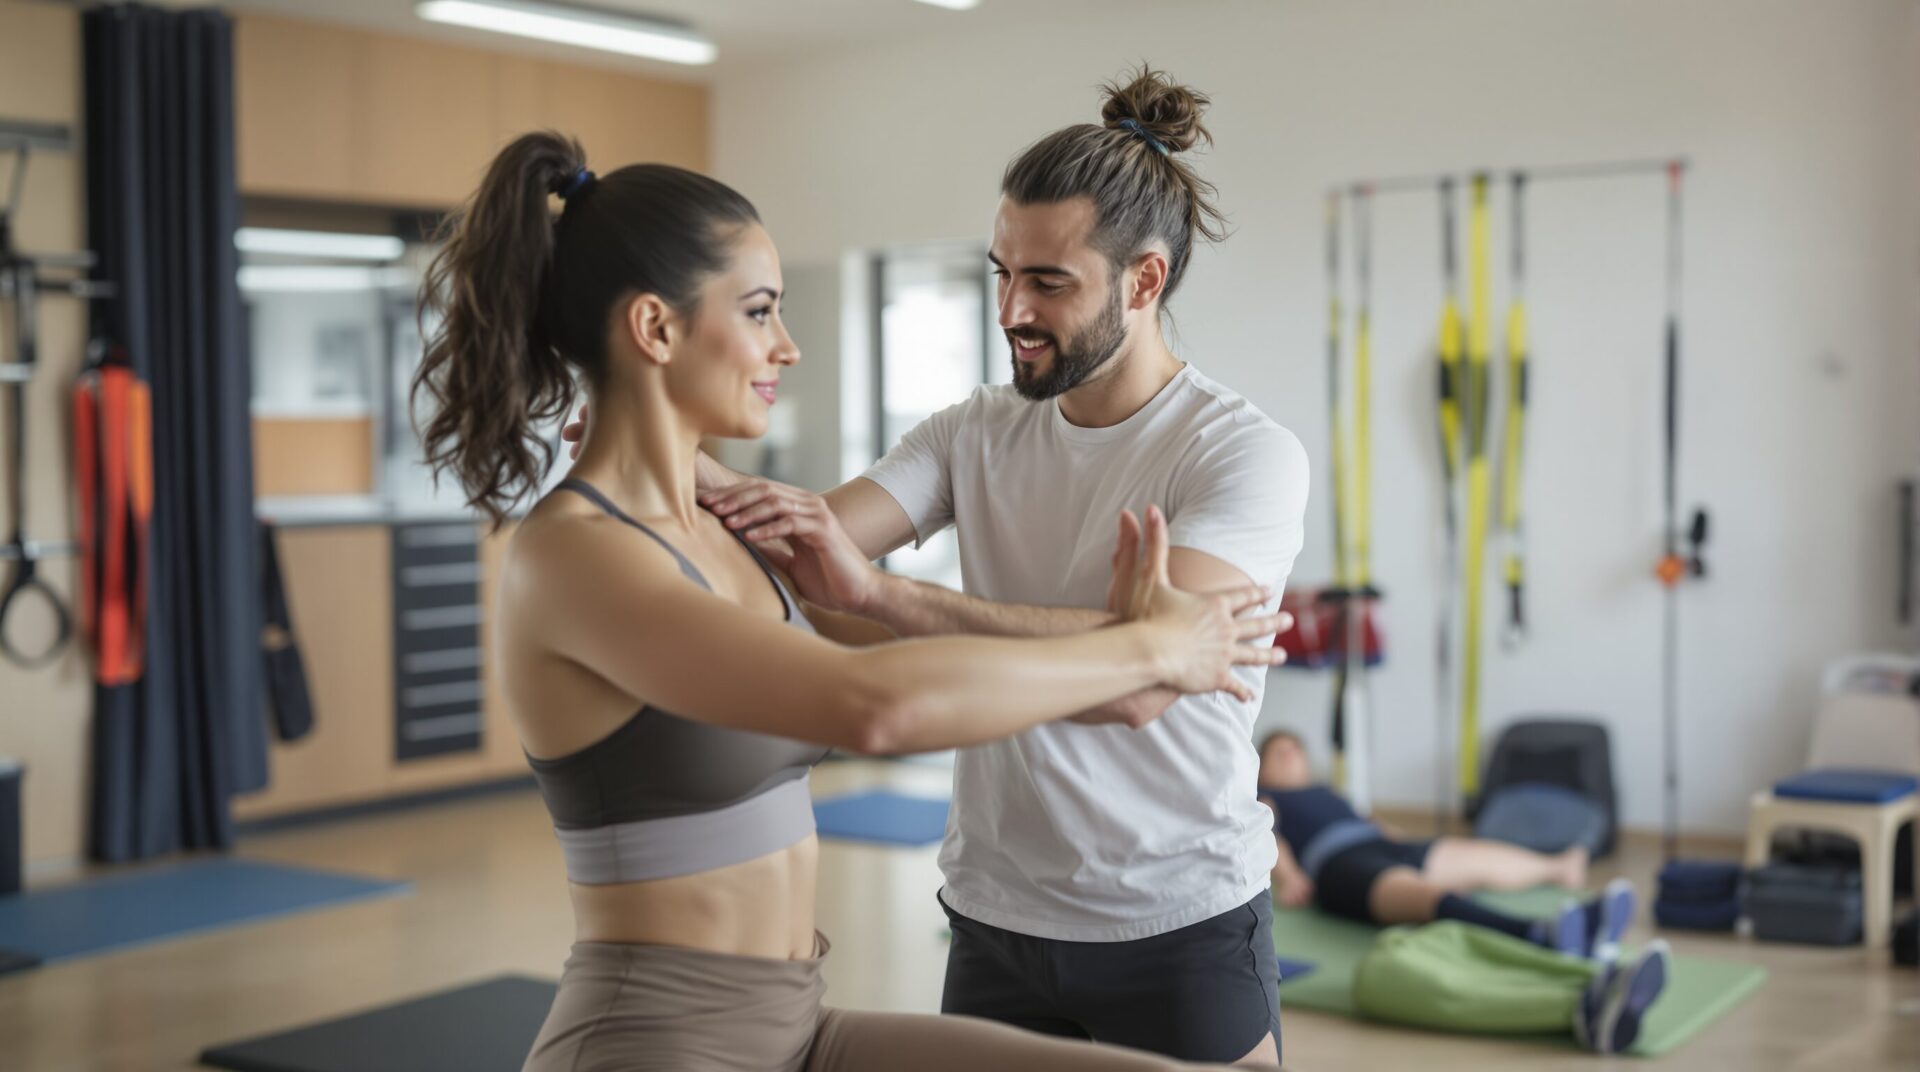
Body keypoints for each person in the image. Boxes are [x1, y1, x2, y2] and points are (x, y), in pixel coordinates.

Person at [413, 131, 1289, 1071]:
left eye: (1048, 282)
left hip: (819, 1014)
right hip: (672, 1032)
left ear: (1143, 281)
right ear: (658, 330)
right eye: (760, 312)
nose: (788, 345)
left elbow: (847, 603)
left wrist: (710, 481)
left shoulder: (1237, 450)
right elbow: (868, 684)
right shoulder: (581, 556)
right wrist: (1153, 645)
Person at [1255, 730, 1635, 959]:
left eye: (1294, 748)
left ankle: (1560, 867)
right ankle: (1539, 933)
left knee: (1474, 857)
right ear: (1263, 766)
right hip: (1337, 864)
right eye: (1278, 751)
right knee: (1425, 894)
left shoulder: (1326, 791)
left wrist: (1406, 841)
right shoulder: (1265, 794)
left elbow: (1373, 822)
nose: (1289, 753)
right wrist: (1288, 877)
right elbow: (1267, 833)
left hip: (1377, 842)